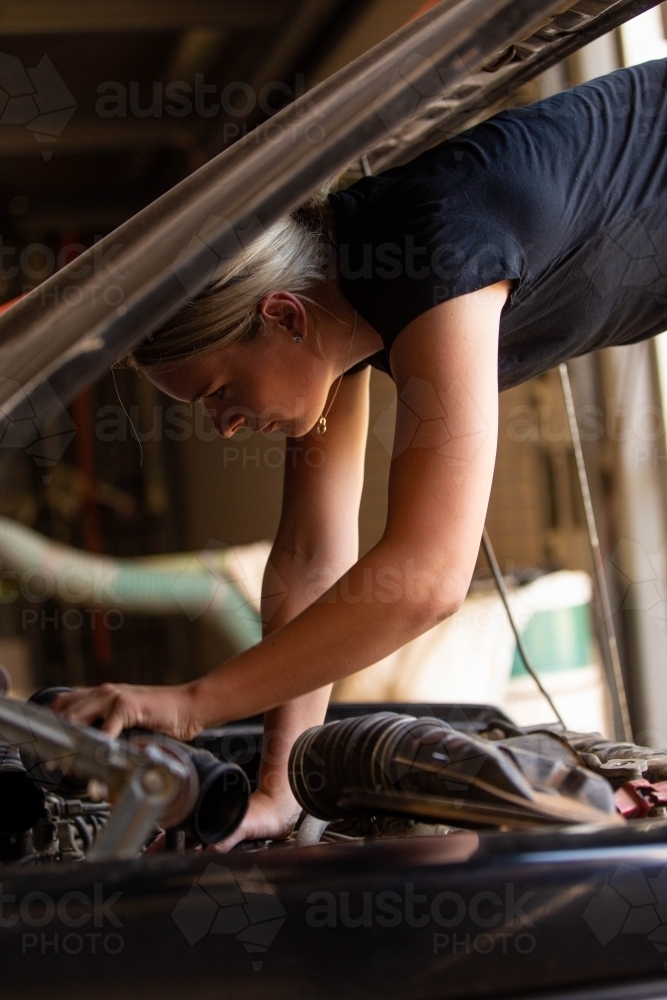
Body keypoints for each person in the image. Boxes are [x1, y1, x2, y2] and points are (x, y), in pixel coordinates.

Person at [54, 59, 667, 849]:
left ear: (282, 316)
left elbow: (427, 575)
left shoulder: (430, 252)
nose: (226, 426)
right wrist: (277, 790)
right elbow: (310, 556)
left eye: (219, 392)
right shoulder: (337, 297)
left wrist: (194, 703)